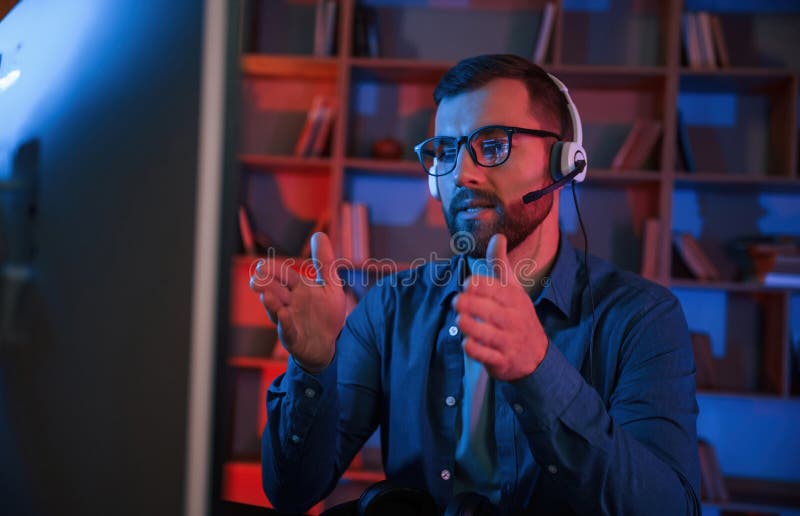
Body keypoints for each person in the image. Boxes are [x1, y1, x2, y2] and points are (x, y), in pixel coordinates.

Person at [252, 54, 700, 515]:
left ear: (562, 161)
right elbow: (290, 493)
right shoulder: (389, 307)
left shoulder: (643, 318)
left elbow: (670, 508)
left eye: (492, 144)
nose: (462, 174)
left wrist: (539, 370)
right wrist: (312, 366)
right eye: (446, 152)